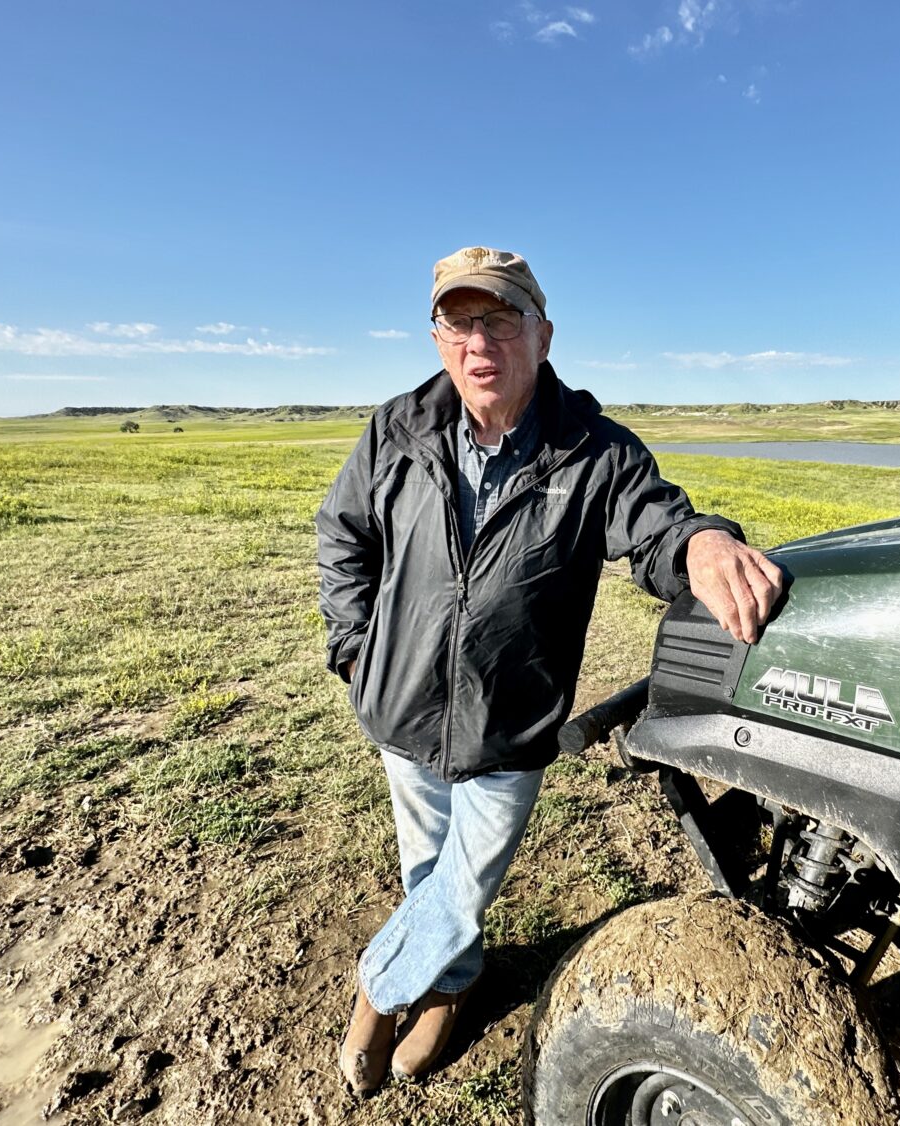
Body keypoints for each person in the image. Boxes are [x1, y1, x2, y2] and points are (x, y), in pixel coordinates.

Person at [315, 246, 783, 1096]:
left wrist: (704, 540)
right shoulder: (397, 428)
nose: (477, 341)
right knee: (425, 864)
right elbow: (342, 535)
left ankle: (378, 992)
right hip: (401, 707)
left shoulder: (592, 452)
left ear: (542, 333)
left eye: (497, 319)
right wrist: (355, 646)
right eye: (458, 323)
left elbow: (657, 524)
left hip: (510, 720)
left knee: (463, 884)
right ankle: (450, 991)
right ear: (437, 338)